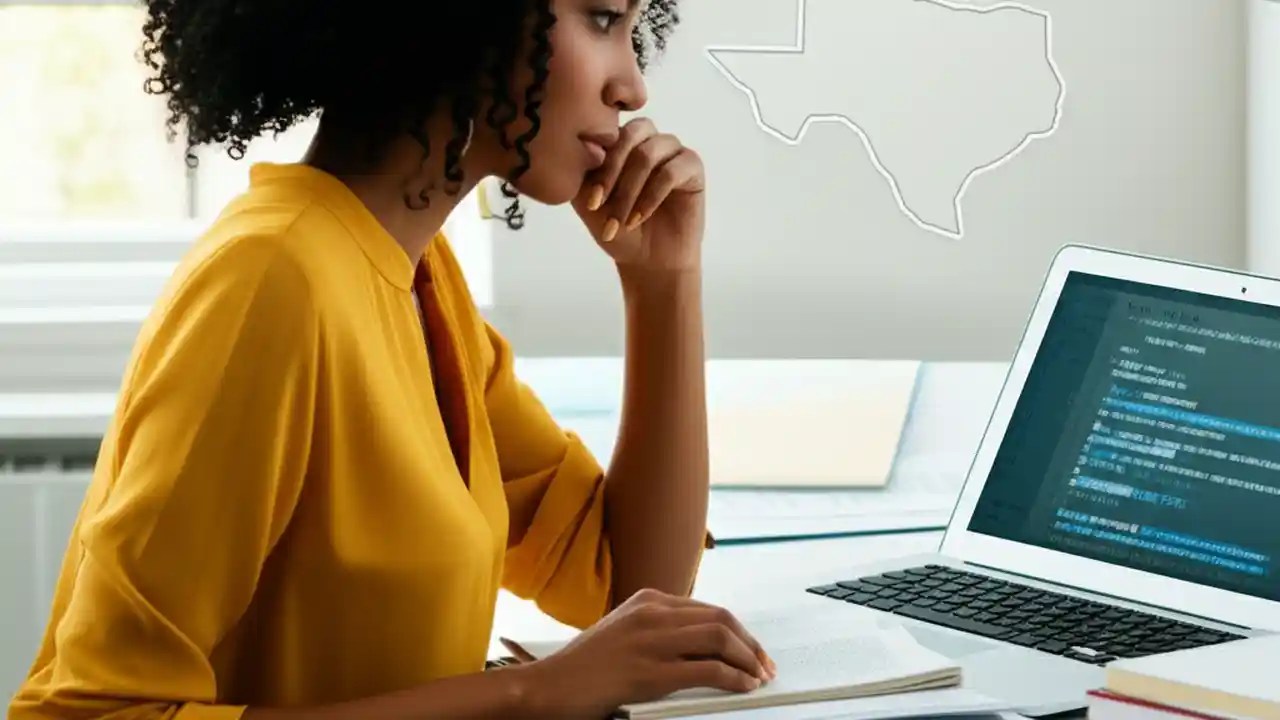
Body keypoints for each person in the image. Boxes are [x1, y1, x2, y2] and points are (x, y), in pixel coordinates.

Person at [7, 0, 780, 718]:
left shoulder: (420, 276)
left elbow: (632, 587)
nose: (633, 86)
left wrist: (663, 282)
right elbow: (96, 713)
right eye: (602, 18)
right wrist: (531, 693)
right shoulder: (273, 284)